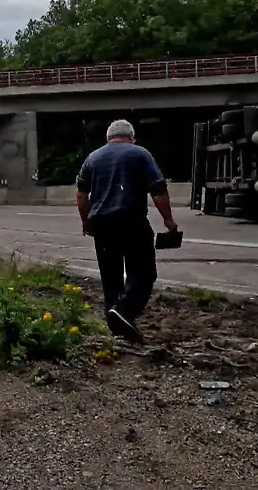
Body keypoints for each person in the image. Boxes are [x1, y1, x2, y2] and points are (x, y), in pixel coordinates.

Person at [75, 119, 177, 345]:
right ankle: (124, 310)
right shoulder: (140, 154)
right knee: (143, 273)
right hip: (131, 220)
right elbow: (158, 189)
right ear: (131, 136)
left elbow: (81, 195)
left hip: (102, 224)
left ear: (108, 138)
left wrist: (86, 221)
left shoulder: (92, 158)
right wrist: (168, 220)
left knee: (111, 278)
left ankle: (118, 329)